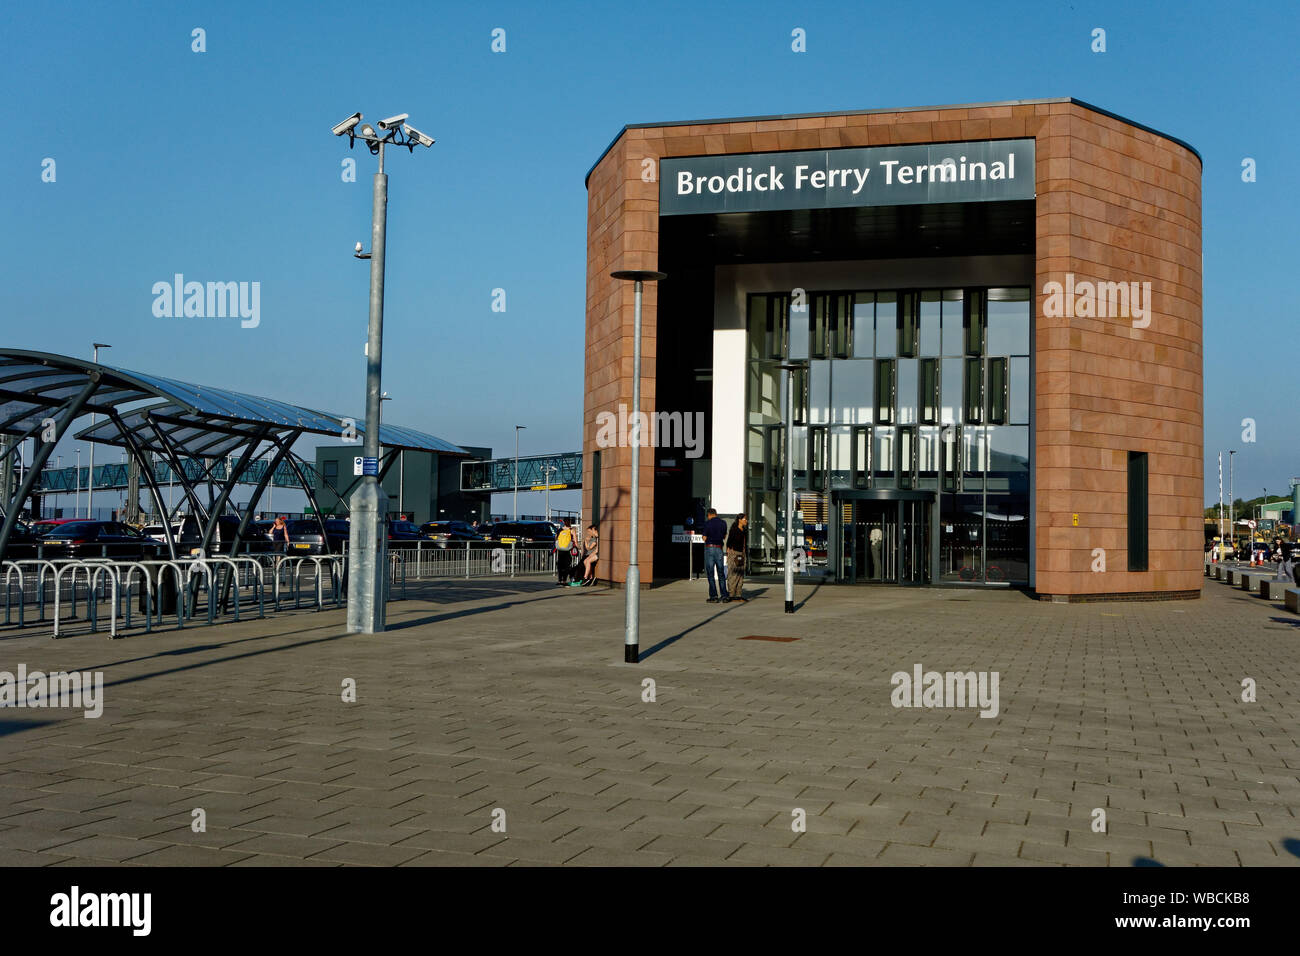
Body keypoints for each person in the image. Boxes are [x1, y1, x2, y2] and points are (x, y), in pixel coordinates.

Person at [702, 508, 729, 603]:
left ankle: (714, 596)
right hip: (719, 549)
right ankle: (724, 596)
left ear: (709, 515)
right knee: (721, 573)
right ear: (716, 514)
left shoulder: (707, 523)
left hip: (710, 548)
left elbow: (704, 537)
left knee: (710, 574)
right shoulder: (723, 523)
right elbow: (724, 536)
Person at [725, 512, 748, 602]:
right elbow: (729, 542)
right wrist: (729, 554)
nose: (746, 521)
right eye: (745, 519)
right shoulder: (734, 530)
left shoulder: (744, 530)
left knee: (740, 574)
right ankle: (731, 594)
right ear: (739, 520)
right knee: (733, 574)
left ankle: (738, 595)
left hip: (742, 554)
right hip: (734, 553)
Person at [555, 518, 576, 586]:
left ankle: (559, 580)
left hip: (560, 550)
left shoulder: (559, 530)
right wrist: (578, 547)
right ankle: (564, 581)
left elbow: (556, 539)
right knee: (567, 565)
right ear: (570, 522)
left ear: (563, 522)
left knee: (560, 565)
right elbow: (575, 540)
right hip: (567, 550)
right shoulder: (571, 530)